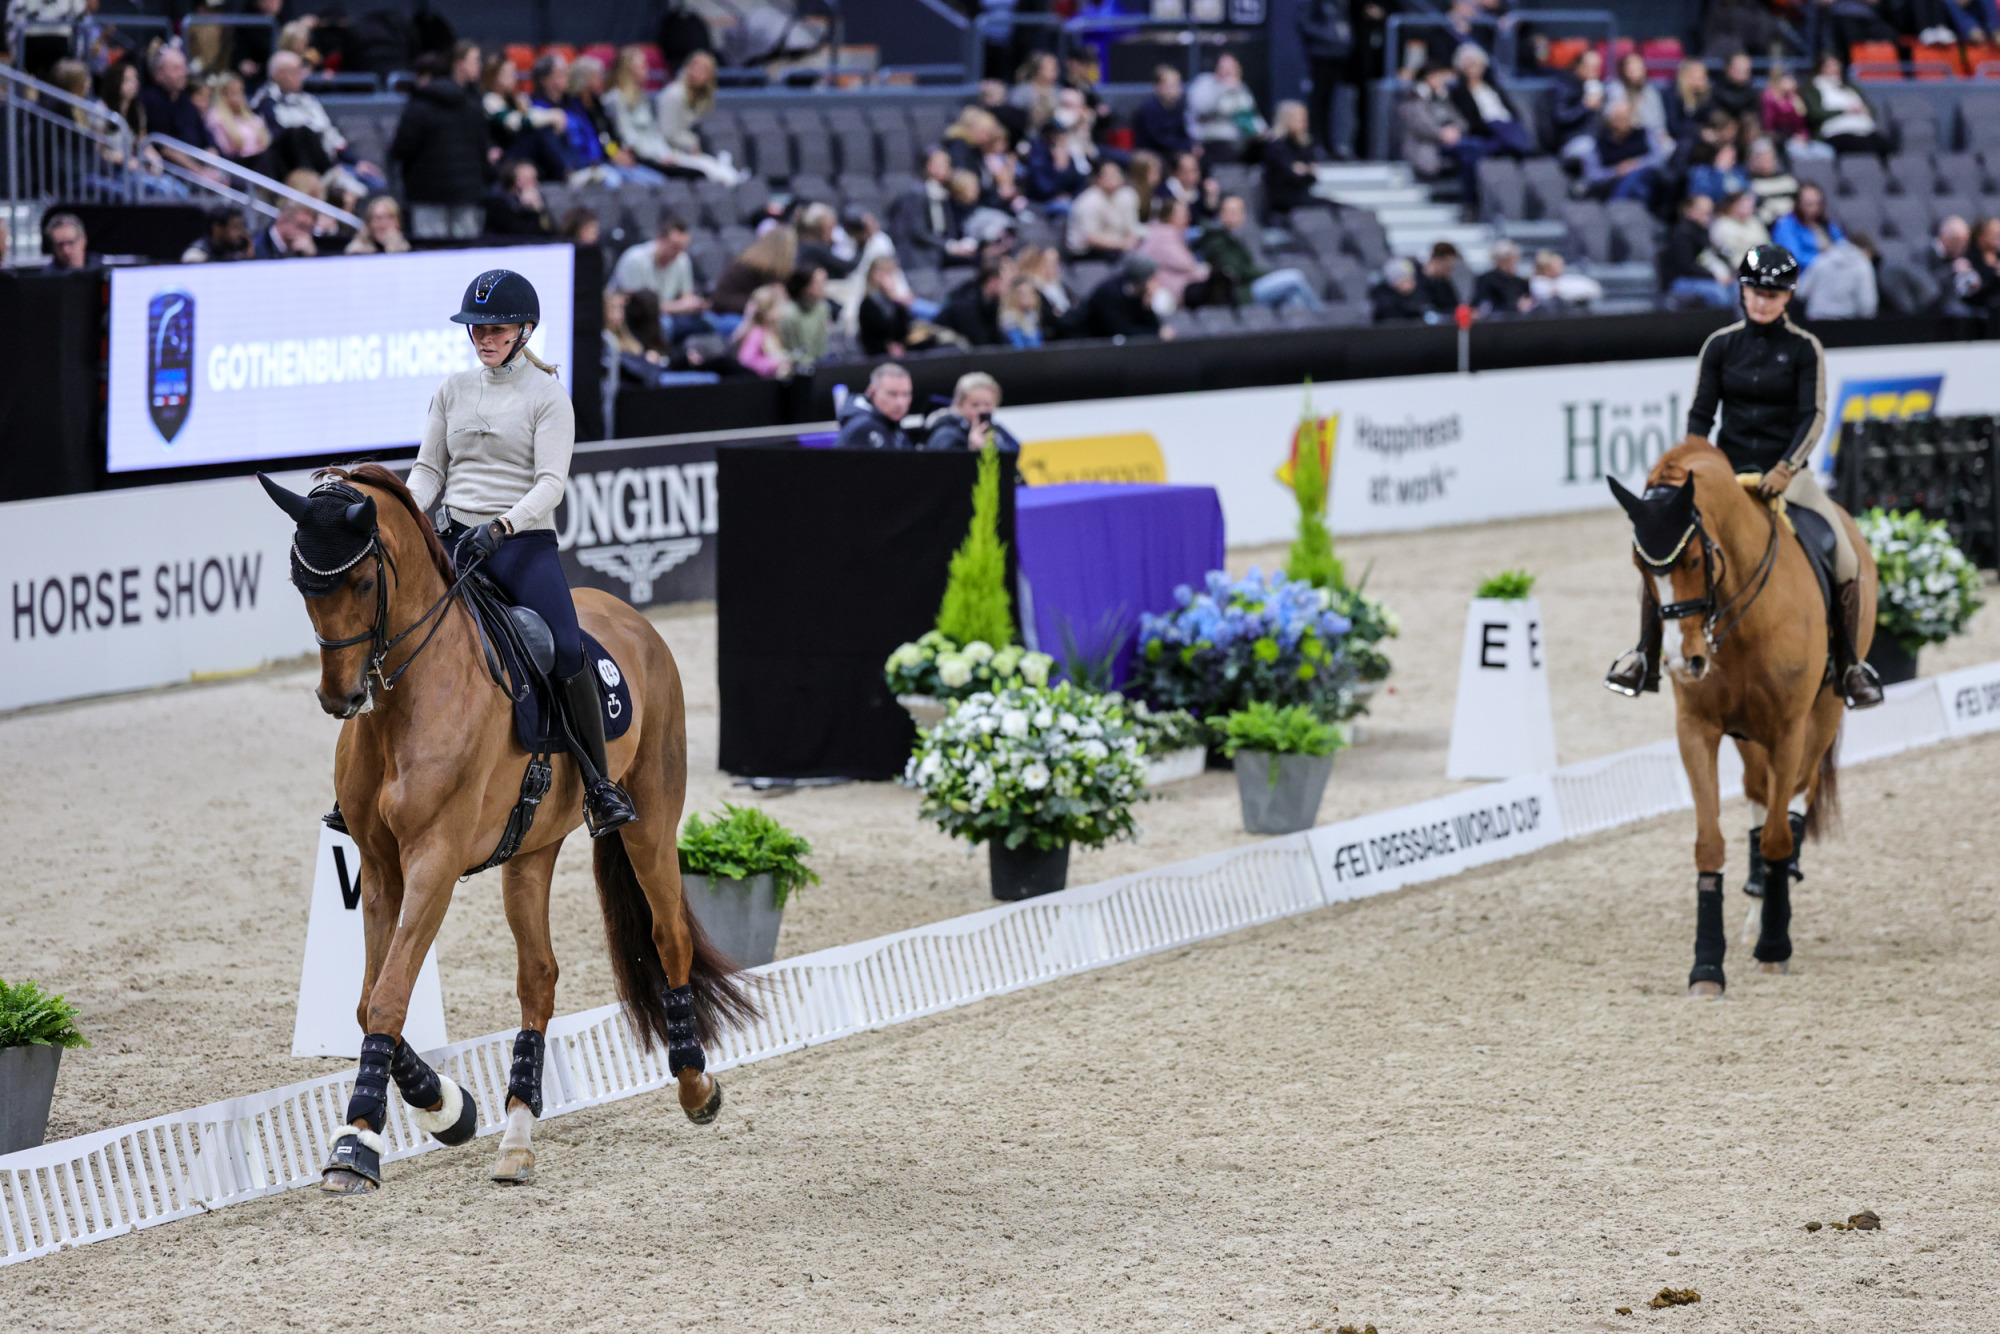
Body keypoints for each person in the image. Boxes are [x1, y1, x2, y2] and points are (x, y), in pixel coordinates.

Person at [406, 269, 637, 834]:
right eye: (476, 328)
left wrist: (504, 526)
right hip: (455, 537)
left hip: (519, 543)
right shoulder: (452, 390)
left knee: (561, 647)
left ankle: (600, 785)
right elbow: (430, 468)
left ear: (525, 330)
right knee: (394, 624)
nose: (483, 337)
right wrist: (411, 516)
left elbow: (550, 483)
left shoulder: (548, 398)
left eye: (496, 328)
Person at [1605, 244, 1883, 709]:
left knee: (1847, 560)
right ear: (1742, 291)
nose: (1762, 301)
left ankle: (1850, 665)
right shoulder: (1719, 345)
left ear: (1788, 296)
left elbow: (1812, 416)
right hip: (1726, 477)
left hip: (1786, 476)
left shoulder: (1804, 348)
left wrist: (1786, 467)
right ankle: (1643, 656)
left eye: (1772, 294)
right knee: (1668, 551)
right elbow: (1700, 415)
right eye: (1755, 291)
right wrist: (1696, 470)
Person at [387, 42, 489, 242]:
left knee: (431, 256)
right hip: (466, 195)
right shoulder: (473, 104)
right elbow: (482, 150)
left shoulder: (419, 105)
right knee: (467, 256)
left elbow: (401, 149)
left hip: (426, 196)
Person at [253, 50, 380, 193]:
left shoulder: (309, 100)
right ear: (279, 74)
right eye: (295, 71)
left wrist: (356, 162)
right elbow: (281, 141)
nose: (301, 76)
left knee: (376, 182)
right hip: (295, 169)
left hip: (332, 162)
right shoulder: (265, 103)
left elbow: (332, 136)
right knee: (302, 133)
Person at [1197, 194, 1324, 311]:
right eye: (1231, 212)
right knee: (1295, 277)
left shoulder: (1231, 237)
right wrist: (1269, 274)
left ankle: (1306, 328)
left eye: (1238, 212)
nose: (1235, 215)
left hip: (1249, 286)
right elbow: (1239, 270)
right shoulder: (1216, 239)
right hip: (1241, 292)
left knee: (1293, 297)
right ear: (1221, 214)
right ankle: (1321, 316)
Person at [611, 216, 709, 338]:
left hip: (666, 313)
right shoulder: (634, 259)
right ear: (660, 240)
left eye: (683, 247)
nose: (679, 252)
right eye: (675, 246)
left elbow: (686, 297)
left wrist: (695, 304)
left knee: (710, 322)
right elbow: (635, 307)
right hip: (634, 317)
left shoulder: (682, 259)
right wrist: (679, 307)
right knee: (664, 324)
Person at [140, 46, 224, 182]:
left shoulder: (185, 98)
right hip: (178, 172)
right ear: (158, 73)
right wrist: (200, 173)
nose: (183, 73)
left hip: (201, 165)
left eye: (183, 67)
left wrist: (212, 157)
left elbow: (205, 135)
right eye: (175, 69)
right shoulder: (151, 100)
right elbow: (166, 148)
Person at [890, 149, 977, 267]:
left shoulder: (944, 192)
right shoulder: (916, 193)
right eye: (941, 164)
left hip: (940, 252)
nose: (947, 168)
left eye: (948, 163)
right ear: (929, 166)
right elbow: (917, 231)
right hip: (920, 255)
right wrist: (948, 245)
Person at [1448, 44, 1533, 160]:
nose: (1472, 69)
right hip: (1486, 125)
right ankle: (1523, 150)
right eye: (1468, 65)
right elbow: (1469, 117)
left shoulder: (1492, 86)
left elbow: (1509, 107)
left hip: (1506, 122)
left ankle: (1513, 148)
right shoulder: (1459, 91)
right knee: (1504, 133)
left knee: (1512, 127)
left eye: (1476, 65)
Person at [1137, 198, 1221, 311]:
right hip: (1170, 289)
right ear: (1170, 216)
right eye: (1184, 215)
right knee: (1214, 287)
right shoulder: (1163, 234)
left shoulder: (1174, 234)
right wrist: (1203, 271)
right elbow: (1185, 263)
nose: (1188, 218)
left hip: (1183, 284)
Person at [1295, 0, 1354, 156]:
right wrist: (1329, 36)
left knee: (1334, 103)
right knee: (1318, 100)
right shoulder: (1314, 3)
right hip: (1320, 56)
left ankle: (1330, 144)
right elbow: (1304, 22)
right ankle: (1316, 143)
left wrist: (1344, 41)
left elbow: (1344, 24)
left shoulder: (1341, 4)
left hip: (1339, 56)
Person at [1803, 53, 1890, 158]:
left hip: (1863, 129)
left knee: (1885, 145)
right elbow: (1815, 113)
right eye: (1829, 66)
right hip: (1836, 132)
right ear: (1820, 68)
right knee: (1862, 148)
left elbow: (1871, 110)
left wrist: (1865, 111)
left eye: (1836, 65)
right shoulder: (1813, 88)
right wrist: (1844, 111)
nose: (1835, 68)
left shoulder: (1850, 87)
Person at [1661, 195, 1737, 308]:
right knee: (1718, 293)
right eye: (1704, 212)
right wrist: (1714, 276)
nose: (1708, 216)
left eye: (1710, 212)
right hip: (1682, 279)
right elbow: (1687, 266)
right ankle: (1719, 324)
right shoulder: (1681, 233)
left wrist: (1729, 272)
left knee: (1738, 287)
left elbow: (1717, 254)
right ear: (1690, 210)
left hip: (1705, 276)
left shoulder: (1703, 231)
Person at [1401, 63, 1470, 186]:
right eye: (1438, 76)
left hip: (1451, 141)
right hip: (1428, 144)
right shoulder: (1415, 99)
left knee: (1475, 148)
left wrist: (1455, 130)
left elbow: (1462, 121)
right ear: (1427, 78)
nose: (1441, 80)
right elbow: (1423, 125)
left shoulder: (1443, 98)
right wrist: (1442, 134)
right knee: (1471, 150)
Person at [1075, 254, 1172, 340]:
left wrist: (1148, 307)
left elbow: (1149, 325)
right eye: (1154, 279)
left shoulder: (1142, 295)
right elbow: (1120, 330)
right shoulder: (1109, 293)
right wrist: (1155, 334)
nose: (1158, 284)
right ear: (1143, 281)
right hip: (1093, 340)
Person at [1583, 100, 1662, 203]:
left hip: (1645, 179)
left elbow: (1660, 158)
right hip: (1611, 185)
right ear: (1611, 120)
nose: (1626, 122)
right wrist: (1616, 171)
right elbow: (1592, 175)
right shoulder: (1599, 143)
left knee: (1638, 179)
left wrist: (1636, 164)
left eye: (1628, 117)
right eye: (1621, 118)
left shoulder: (1643, 134)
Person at [1187, 53, 1265, 157]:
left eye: (1232, 68)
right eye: (1223, 67)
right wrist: (1223, 89)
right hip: (1211, 140)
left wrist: (1263, 130)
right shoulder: (1205, 82)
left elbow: (1250, 114)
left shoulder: (1241, 87)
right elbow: (1201, 109)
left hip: (1240, 141)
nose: (1227, 72)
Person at [710, 225, 796, 317]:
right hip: (729, 315)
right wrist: (759, 305)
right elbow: (720, 299)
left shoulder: (775, 272)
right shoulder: (747, 267)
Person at [925, 372, 1021, 453]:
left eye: (987, 404)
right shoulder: (945, 434)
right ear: (960, 405)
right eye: (975, 405)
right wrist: (972, 450)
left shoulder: (998, 435)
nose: (982, 410)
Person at [1261, 100, 1327, 220]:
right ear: (1286, 120)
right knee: (1325, 208)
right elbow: (1289, 175)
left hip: (1303, 194)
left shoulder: (1305, 144)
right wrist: (1301, 171)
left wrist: (1303, 170)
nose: (1304, 122)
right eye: (1299, 118)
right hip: (1283, 199)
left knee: (1340, 208)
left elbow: (1310, 177)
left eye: (1304, 118)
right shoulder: (1276, 146)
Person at [1067, 159, 1143, 258]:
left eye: (1117, 174)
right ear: (1098, 179)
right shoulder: (1089, 201)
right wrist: (1123, 243)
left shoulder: (1121, 196)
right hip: (1086, 252)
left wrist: (1131, 239)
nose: (1115, 178)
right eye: (1110, 175)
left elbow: (1128, 227)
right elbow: (1091, 238)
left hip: (1111, 246)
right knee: (1137, 261)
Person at [1796, 232, 1879, 320]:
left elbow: (1801, 292)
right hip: (1845, 323)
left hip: (1815, 320)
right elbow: (1867, 306)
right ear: (1867, 251)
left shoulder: (1822, 258)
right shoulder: (1863, 265)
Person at [205, 72, 275, 172]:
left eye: (240, 91)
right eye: (232, 91)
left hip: (259, 160)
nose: (238, 96)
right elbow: (226, 150)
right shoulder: (216, 117)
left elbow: (265, 141)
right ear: (222, 94)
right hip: (237, 164)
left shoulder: (250, 116)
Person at [936, 255, 1012, 346]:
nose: (1010, 288)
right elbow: (980, 343)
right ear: (993, 281)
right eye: (1007, 282)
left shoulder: (991, 305)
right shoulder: (966, 302)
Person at [837, 362, 914, 449]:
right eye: (892, 394)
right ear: (872, 392)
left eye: (906, 394)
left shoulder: (890, 421)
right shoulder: (863, 429)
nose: (900, 403)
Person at [656, 50, 719, 156]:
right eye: (694, 66)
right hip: (670, 151)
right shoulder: (674, 94)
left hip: (692, 150)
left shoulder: (704, 98)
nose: (696, 71)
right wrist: (691, 143)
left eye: (703, 69)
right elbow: (667, 133)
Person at [1771, 182, 1845, 271]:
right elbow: (1793, 257)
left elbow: (1842, 244)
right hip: (1807, 274)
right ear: (1798, 204)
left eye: (1817, 204)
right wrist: (1824, 261)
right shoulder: (1785, 225)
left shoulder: (1825, 224)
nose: (1814, 208)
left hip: (1834, 268)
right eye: (1808, 204)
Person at [1552, 47, 1607, 159]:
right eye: (1591, 67)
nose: (1595, 71)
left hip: (1597, 138)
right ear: (1579, 67)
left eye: (1597, 67)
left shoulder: (1597, 86)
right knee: (1590, 148)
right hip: (1572, 141)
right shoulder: (1565, 86)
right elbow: (1561, 118)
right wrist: (1585, 106)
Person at [1132, 65, 1195, 161]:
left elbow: (1183, 132)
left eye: (1177, 85)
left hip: (1173, 152)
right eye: (1170, 86)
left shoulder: (1178, 108)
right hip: (1152, 156)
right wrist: (1185, 147)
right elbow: (1158, 140)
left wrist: (1191, 145)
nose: (1174, 89)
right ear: (1157, 86)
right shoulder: (1148, 110)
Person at [731, 284, 794, 379]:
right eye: (779, 306)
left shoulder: (773, 331)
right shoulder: (756, 333)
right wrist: (774, 363)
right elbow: (746, 361)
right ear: (766, 311)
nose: (783, 310)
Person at [486, 159, 556, 237]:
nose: (537, 183)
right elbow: (520, 234)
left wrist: (540, 211)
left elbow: (550, 231)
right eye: (532, 179)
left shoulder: (538, 199)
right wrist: (531, 212)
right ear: (517, 182)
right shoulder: (499, 203)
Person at [1606, 50, 1665, 140]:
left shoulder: (1650, 91)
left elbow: (1658, 120)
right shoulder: (1615, 88)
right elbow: (1610, 116)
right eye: (1632, 68)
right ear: (1624, 70)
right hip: (1623, 135)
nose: (1636, 71)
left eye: (1639, 68)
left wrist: (1662, 134)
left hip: (1648, 134)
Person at [782, 267, 831, 366]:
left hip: (821, 362)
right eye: (819, 283)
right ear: (806, 287)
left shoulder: (822, 307)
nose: (824, 287)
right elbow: (793, 352)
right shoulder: (789, 314)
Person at [1709, 189, 1770, 269]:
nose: (1751, 208)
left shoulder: (1754, 222)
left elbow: (1765, 244)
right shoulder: (1722, 225)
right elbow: (1729, 254)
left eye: (1751, 206)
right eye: (1746, 206)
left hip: (1761, 263)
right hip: (1735, 268)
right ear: (1733, 206)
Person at [1472, 238, 1533, 315]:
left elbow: (1528, 300)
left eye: (1513, 259)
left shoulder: (1521, 282)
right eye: (1507, 260)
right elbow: (1483, 305)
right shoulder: (1486, 280)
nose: (1512, 263)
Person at [1529, 249, 1603, 310]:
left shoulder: (1563, 279)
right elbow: (1549, 291)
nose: (1560, 268)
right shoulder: (1536, 282)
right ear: (1545, 269)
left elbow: (1594, 288)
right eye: (1556, 266)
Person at [1665, 59, 1714, 146]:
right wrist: (1699, 132)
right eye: (1701, 76)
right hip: (1677, 138)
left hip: (1696, 135)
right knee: (1686, 144)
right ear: (1687, 76)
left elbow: (1707, 118)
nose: (1705, 80)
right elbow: (1674, 126)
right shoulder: (1673, 94)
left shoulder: (1703, 94)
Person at [181, 203, 252, 262]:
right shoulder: (195, 255)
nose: (241, 233)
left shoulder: (237, 253)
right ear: (217, 228)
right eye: (236, 227)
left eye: (242, 227)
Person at [1370, 256, 1431, 322]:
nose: (1412, 283)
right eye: (1407, 279)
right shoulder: (1385, 302)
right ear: (1395, 282)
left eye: (1412, 278)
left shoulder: (1419, 295)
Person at [345, 195, 412, 255]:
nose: (383, 225)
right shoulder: (356, 251)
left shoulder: (409, 252)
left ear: (398, 223)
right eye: (378, 218)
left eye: (390, 218)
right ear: (369, 223)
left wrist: (395, 250)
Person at [254, 199, 319, 258]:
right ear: (283, 220)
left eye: (310, 228)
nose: (306, 234)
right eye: (301, 226)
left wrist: (310, 257)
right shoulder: (256, 246)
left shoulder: (301, 250)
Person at [1415, 241, 1462, 315]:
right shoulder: (1418, 281)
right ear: (1436, 260)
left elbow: (1455, 306)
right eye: (1447, 265)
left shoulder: (1444, 282)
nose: (1451, 268)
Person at [998, 275, 1045, 348]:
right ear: (1014, 295)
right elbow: (1019, 347)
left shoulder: (1033, 316)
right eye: (1022, 293)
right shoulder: (1009, 320)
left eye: (1031, 292)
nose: (1028, 296)